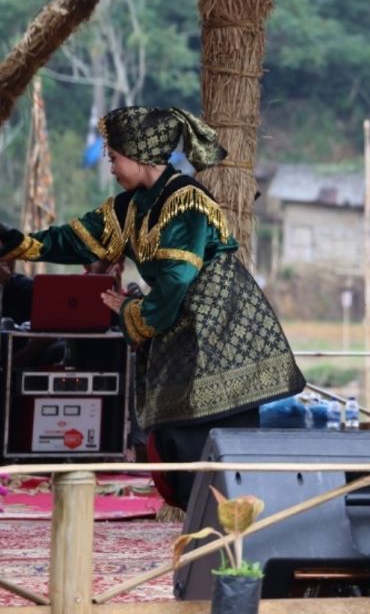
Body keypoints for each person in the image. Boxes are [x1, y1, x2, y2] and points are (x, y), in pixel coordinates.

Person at [0, 106, 306, 507]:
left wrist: (131, 313)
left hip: (223, 330)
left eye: (114, 157)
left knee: (213, 442)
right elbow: (69, 240)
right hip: (180, 325)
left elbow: (177, 277)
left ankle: (226, 535)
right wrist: (11, 240)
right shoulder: (129, 207)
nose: (111, 166)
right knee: (178, 436)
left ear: (141, 155)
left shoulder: (187, 202)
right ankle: (201, 527)